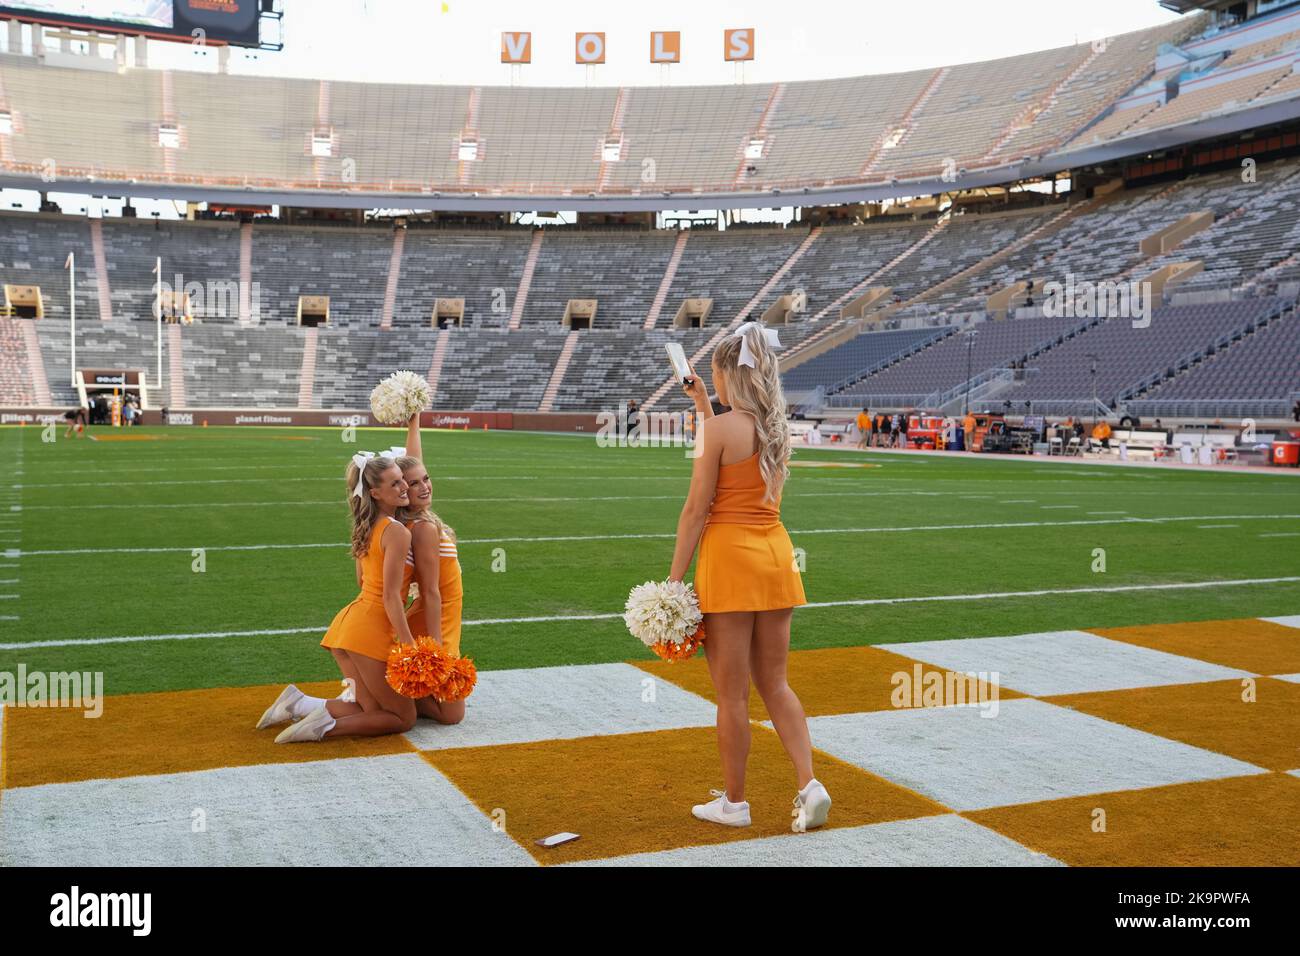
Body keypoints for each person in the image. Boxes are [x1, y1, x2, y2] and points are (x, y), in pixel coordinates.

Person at [673, 322, 829, 831]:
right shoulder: (775, 426)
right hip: (775, 556)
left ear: (726, 374)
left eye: (715, 375)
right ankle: (809, 783)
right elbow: (735, 449)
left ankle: (735, 803)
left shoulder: (716, 430)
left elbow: (696, 509)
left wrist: (674, 581)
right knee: (776, 684)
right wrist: (703, 408)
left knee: (732, 694)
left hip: (729, 560)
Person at [258, 453, 420, 742]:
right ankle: (322, 728)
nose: (404, 487)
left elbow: (362, 580)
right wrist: (410, 646)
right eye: (395, 483)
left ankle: (297, 704)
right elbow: (391, 598)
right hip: (369, 633)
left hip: (347, 629)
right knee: (403, 718)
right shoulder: (397, 532)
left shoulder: (367, 524)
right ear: (375, 493)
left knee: (364, 706)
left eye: (402, 480)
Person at [394, 413, 466, 725]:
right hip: (433, 620)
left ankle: (399, 692)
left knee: (451, 712)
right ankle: (397, 693)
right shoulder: (419, 526)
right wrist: (436, 650)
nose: (424, 487)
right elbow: (430, 590)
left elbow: (412, 462)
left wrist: (414, 421)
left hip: (445, 617)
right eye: (413, 484)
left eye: (426, 478)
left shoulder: (420, 515)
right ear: (400, 491)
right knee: (451, 714)